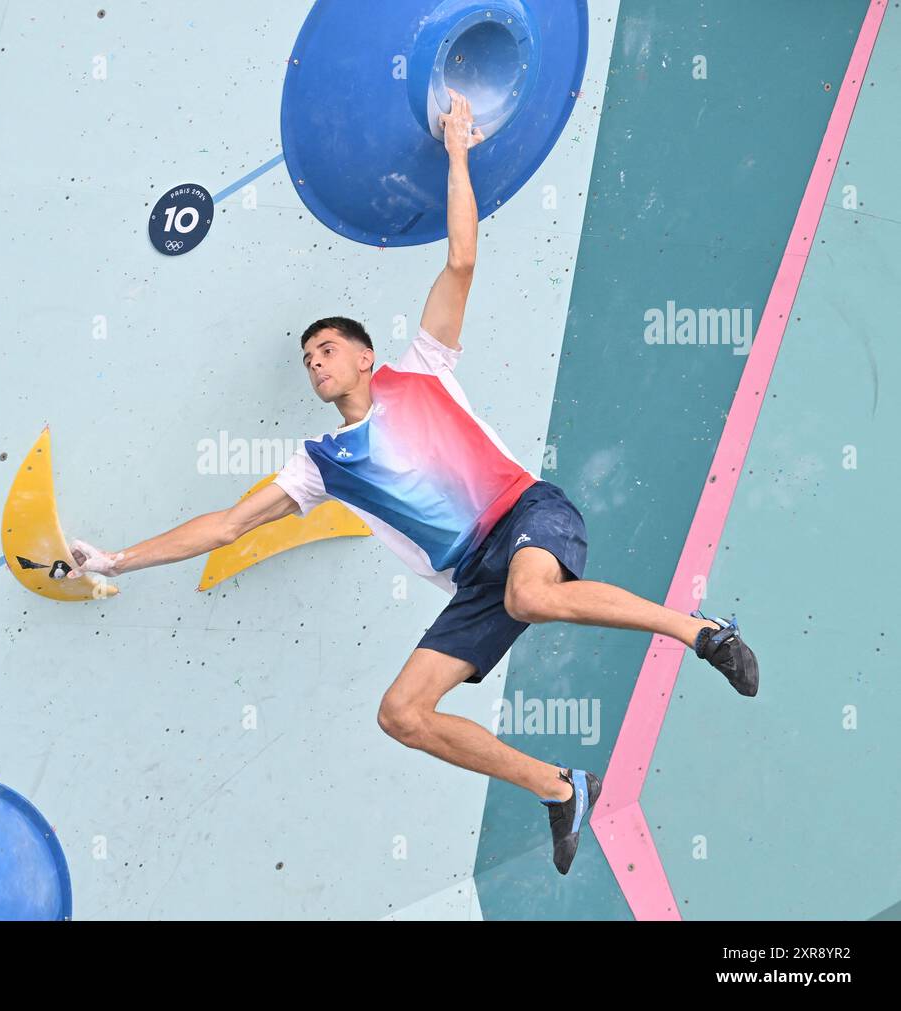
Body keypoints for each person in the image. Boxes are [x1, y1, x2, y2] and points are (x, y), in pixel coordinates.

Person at [69, 90, 758, 875]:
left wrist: (458, 151)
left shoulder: (422, 369)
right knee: (401, 714)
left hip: (527, 516)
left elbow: (461, 258)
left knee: (530, 594)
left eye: (326, 349)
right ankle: (559, 786)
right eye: (307, 360)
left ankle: (703, 632)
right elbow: (225, 525)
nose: (316, 363)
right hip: (474, 578)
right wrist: (117, 559)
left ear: (364, 356)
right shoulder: (320, 463)